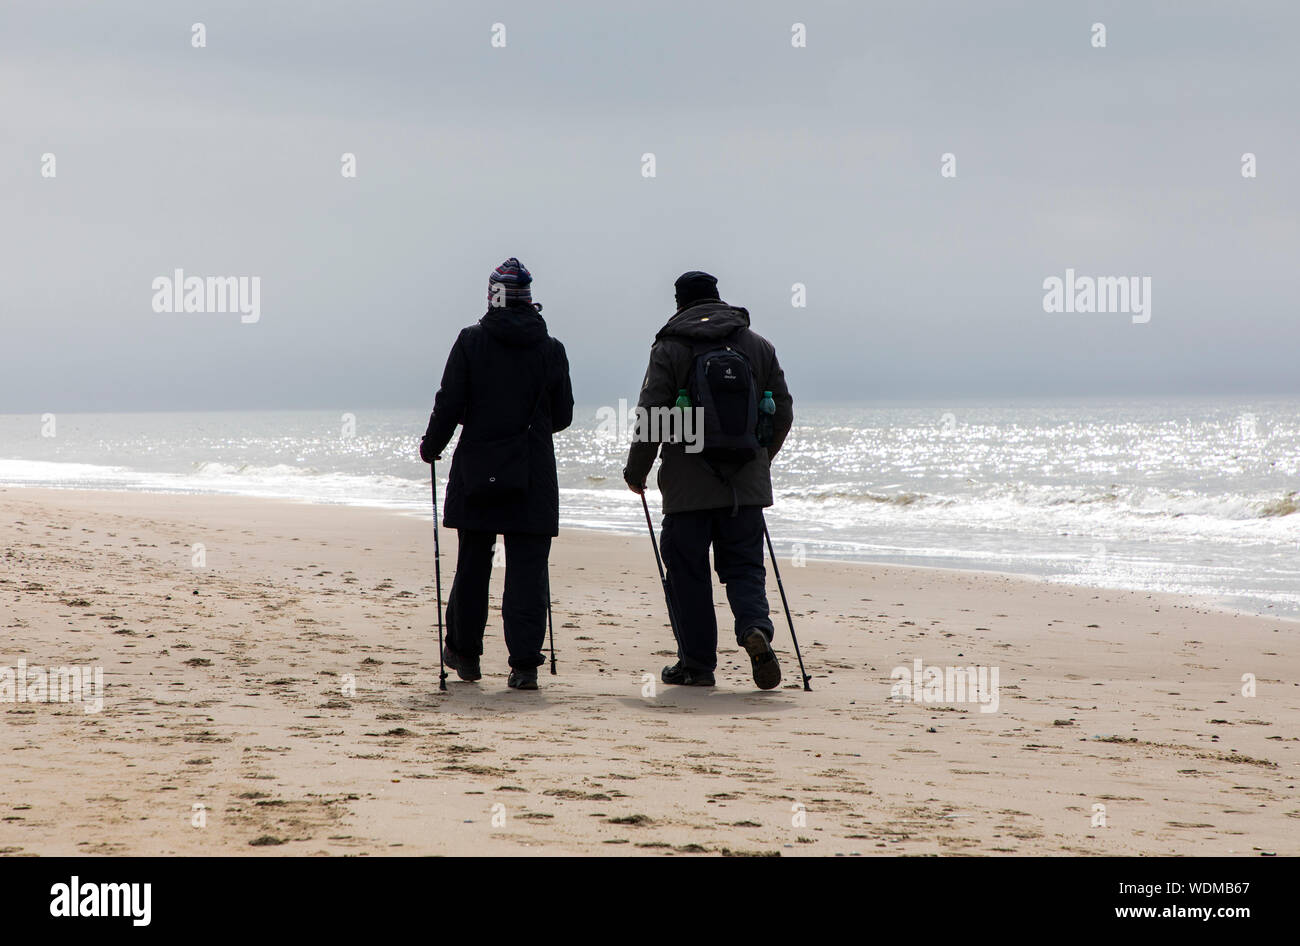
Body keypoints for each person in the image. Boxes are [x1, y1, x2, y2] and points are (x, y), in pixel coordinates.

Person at [623, 270, 794, 689]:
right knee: (745, 568)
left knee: (687, 574)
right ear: (719, 298)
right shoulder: (757, 346)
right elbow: (783, 410)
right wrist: (760, 460)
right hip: (745, 487)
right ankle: (754, 627)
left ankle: (697, 665)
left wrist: (637, 470)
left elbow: (652, 415)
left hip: (687, 489)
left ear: (680, 303)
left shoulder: (670, 348)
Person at [420, 258, 574, 690]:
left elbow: (448, 402)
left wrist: (432, 447)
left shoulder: (471, 342)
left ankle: (465, 655)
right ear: (528, 298)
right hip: (532, 474)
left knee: (474, 563)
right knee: (527, 568)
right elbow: (562, 416)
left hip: (478, 470)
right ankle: (524, 666)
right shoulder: (551, 349)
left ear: (493, 297)